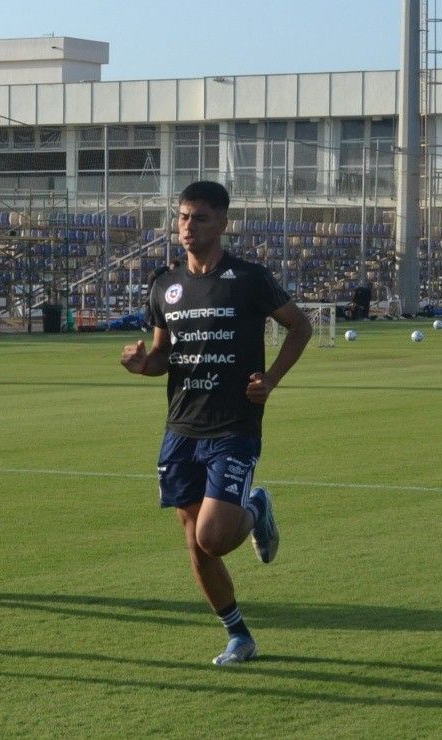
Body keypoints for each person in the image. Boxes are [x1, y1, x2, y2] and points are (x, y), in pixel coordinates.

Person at [120, 181, 311, 666]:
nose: (188, 226)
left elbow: (300, 325)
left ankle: (255, 506)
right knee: (196, 542)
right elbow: (163, 355)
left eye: (200, 218)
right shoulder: (165, 285)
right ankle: (238, 635)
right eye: (183, 217)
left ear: (223, 223)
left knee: (214, 537)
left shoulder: (249, 279)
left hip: (234, 425)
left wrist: (271, 379)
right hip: (181, 428)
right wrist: (142, 365)